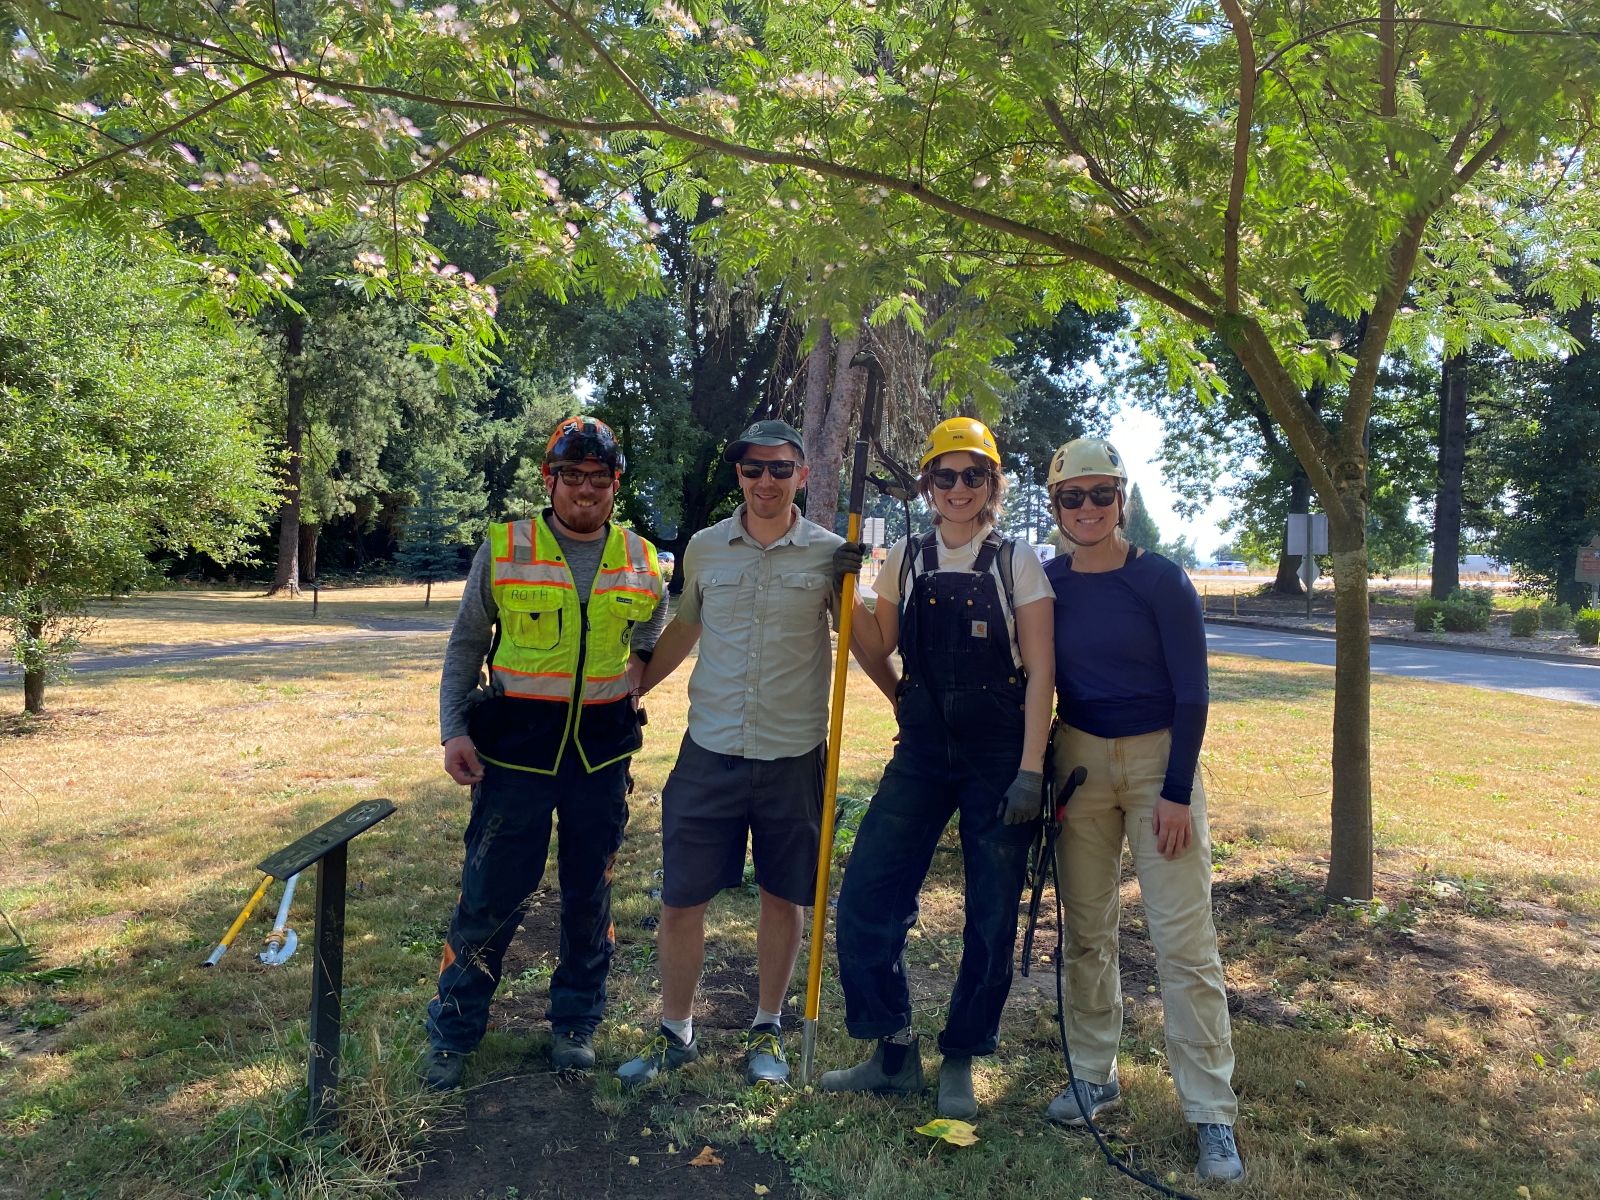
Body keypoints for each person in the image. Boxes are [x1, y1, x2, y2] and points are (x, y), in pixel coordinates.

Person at [422, 416, 668, 1092]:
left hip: (600, 760)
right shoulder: (505, 548)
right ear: (548, 478)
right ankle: (452, 1032)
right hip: (515, 759)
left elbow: (653, 630)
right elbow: (466, 645)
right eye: (571, 476)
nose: (584, 490)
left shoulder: (643, 559)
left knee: (591, 897)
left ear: (615, 484)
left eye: (598, 478)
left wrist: (638, 673)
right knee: (488, 898)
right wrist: (454, 731)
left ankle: (575, 1024)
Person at [616, 419, 862, 1088]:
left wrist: (854, 590)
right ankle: (675, 1032)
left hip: (792, 757)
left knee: (784, 898)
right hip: (710, 752)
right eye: (753, 469)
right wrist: (632, 688)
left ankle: (768, 1027)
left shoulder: (830, 552)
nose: (766, 481)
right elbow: (685, 628)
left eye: (780, 469)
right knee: (680, 902)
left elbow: (863, 642)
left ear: (802, 476)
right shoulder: (703, 548)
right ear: (739, 476)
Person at [821, 416, 1055, 1119]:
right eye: (946, 475)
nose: (959, 488)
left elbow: (1042, 671)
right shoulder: (909, 557)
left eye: (973, 475)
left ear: (992, 486)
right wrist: (849, 598)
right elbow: (878, 644)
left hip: (999, 759)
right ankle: (892, 1050)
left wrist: (1031, 770)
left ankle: (960, 1054)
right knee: (867, 897)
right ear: (928, 484)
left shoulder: (1018, 561)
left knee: (988, 915)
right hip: (921, 754)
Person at [1040, 437, 1244, 1183]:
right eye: (1073, 497)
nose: (1087, 508)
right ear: (1056, 505)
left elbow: (1193, 692)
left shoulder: (1161, 580)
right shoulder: (1048, 582)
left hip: (1161, 764)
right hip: (1080, 765)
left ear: (1122, 499)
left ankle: (1211, 1114)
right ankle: (1095, 1072)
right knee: (1087, 932)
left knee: (1184, 943)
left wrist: (1179, 790)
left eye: (1101, 494)